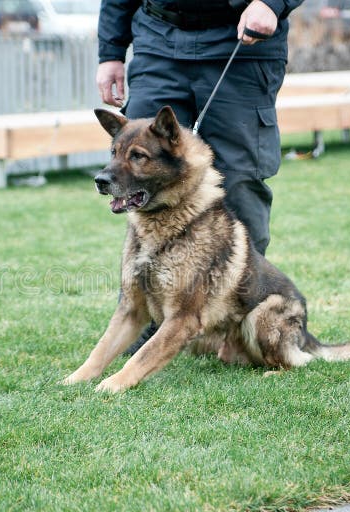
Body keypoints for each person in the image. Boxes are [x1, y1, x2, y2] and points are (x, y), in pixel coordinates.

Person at [97, 0, 304, 353]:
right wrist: (110, 53)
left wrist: (272, 3)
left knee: (240, 181)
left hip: (239, 41)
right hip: (159, 40)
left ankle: (234, 319)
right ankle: (150, 316)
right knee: (142, 179)